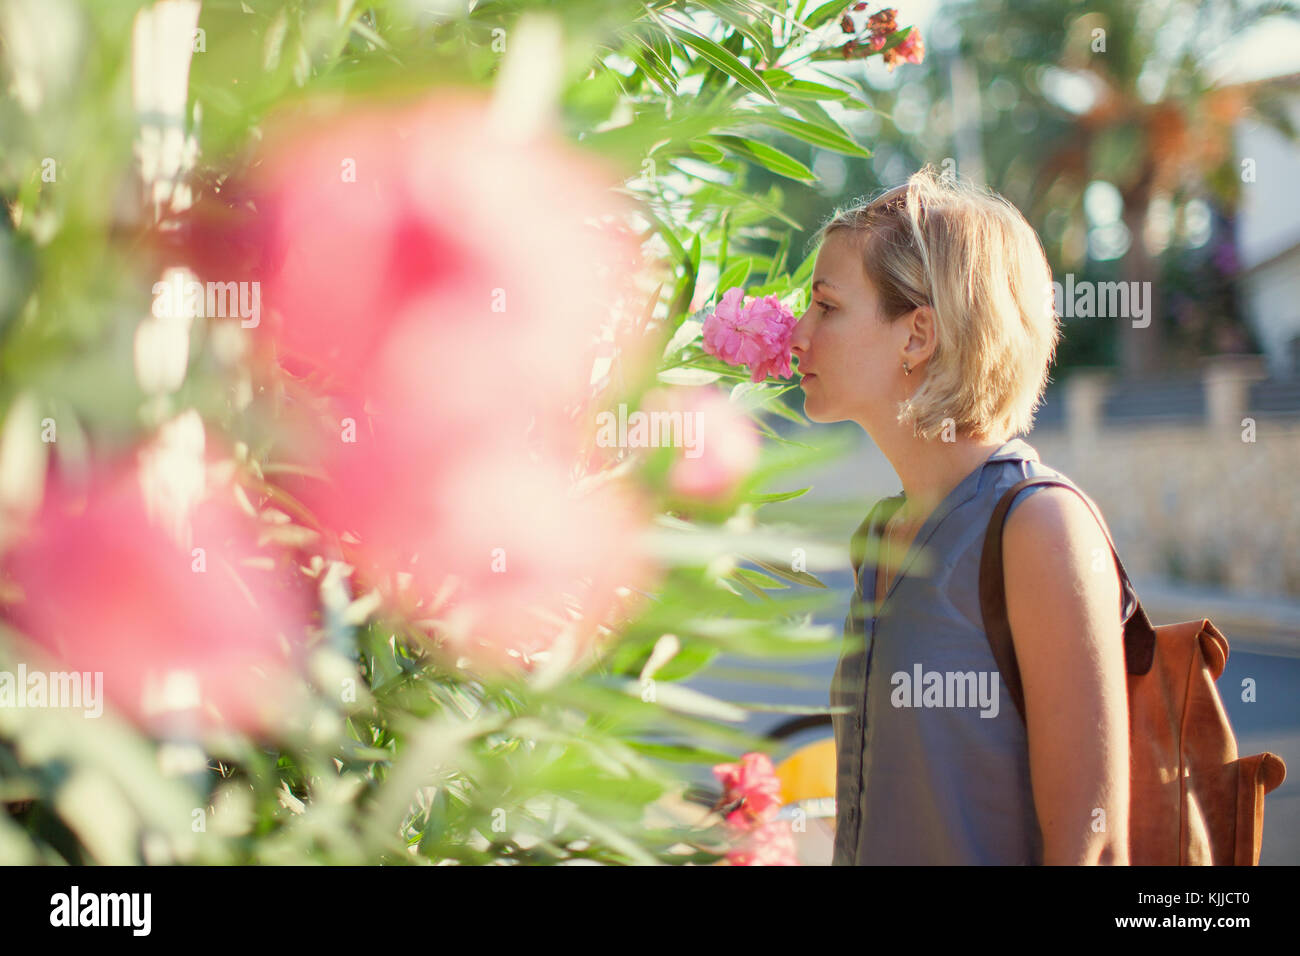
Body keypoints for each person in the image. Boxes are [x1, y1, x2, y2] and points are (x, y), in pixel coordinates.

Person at [790, 165, 1133, 865]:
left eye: (826, 306)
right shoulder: (881, 536)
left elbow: (1093, 848)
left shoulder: (1039, 528)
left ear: (917, 335)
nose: (797, 334)